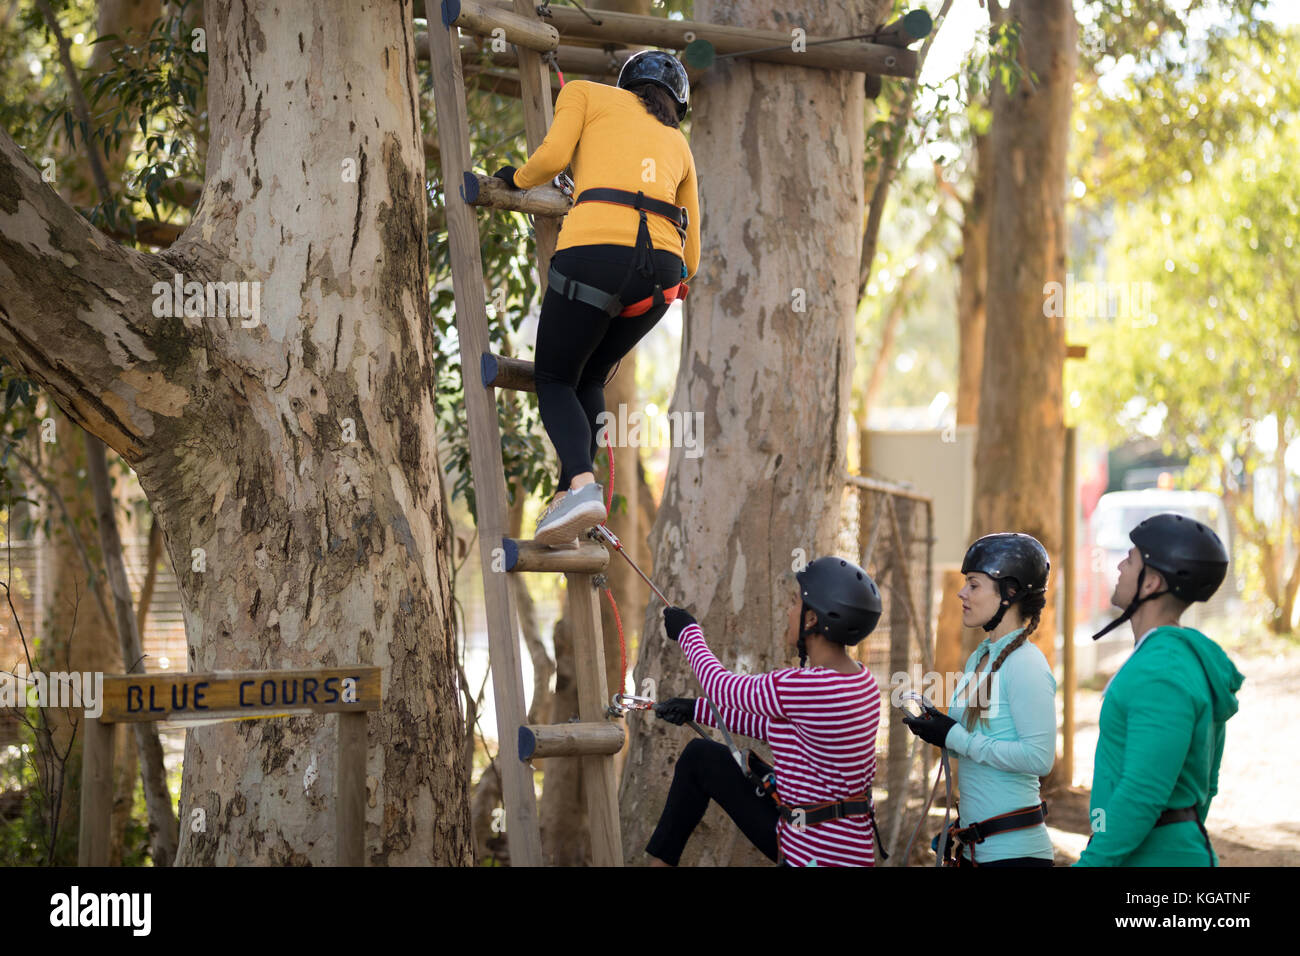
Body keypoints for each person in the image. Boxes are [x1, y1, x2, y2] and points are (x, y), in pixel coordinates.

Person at [491, 51, 701, 546]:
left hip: (594, 252)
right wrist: (674, 279)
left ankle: (582, 484)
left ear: (629, 83)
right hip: (660, 280)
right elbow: (693, 251)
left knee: (554, 377)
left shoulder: (585, 92)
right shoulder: (679, 144)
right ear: (676, 106)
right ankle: (572, 493)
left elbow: (550, 158)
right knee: (588, 374)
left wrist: (513, 179)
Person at [645, 557, 883, 867]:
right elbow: (774, 728)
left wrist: (689, 632)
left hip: (814, 855)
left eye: (795, 603)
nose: (788, 611)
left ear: (812, 620)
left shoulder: (807, 687)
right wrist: (697, 709)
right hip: (835, 844)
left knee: (699, 758)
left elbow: (721, 687)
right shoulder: (859, 681)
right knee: (701, 757)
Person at [1075, 512, 1242, 866]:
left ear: (1151, 583)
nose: (1119, 565)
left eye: (1130, 558)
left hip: (1154, 855)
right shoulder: (1179, 658)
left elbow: (1142, 792)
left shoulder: (1160, 671)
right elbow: (1206, 783)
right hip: (1159, 848)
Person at [903, 533, 1056, 867]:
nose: (962, 593)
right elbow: (980, 741)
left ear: (1009, 593)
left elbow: (1039, 759)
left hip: (1016, 856)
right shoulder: (980, 657)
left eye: (973, 585)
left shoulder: (1026, 664)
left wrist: (957, 737)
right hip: (976, 851)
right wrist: (938, 730)